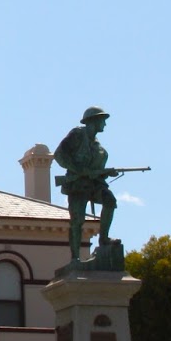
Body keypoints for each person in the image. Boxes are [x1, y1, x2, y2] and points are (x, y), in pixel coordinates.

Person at [56, 106, 117, 267]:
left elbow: (96, 173)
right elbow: (59, 155)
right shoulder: (77, 134)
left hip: (94, 185)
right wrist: (79, 170)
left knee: (110, 200)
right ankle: (75, 257)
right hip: (77, 185)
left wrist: (105, 173)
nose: (104, 124)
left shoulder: (101, 150)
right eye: (102, 120)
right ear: (93, 121)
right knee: (77, 220)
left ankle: (104, 238)